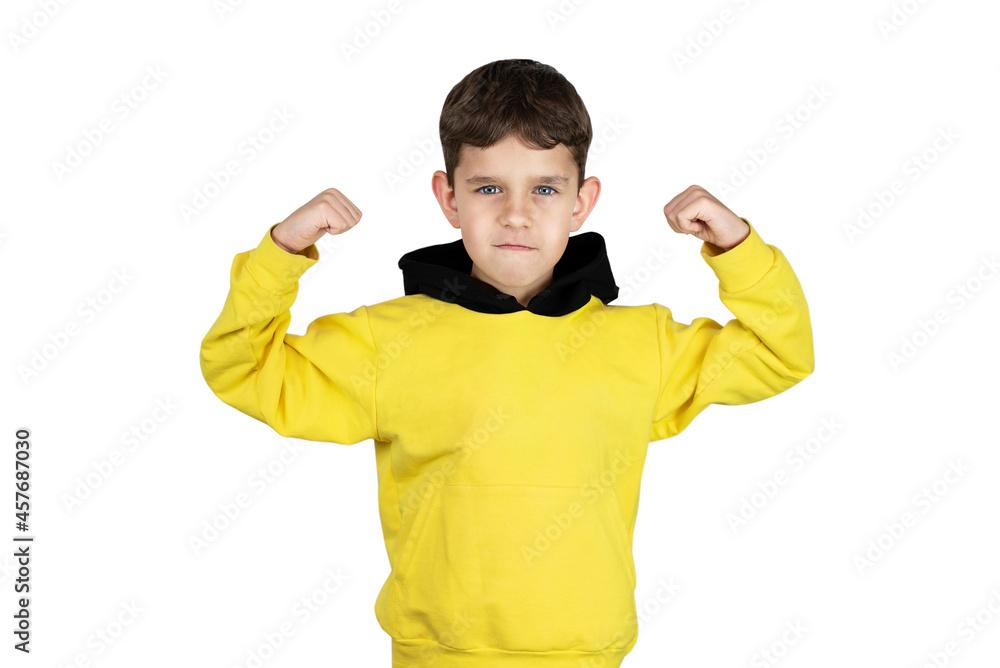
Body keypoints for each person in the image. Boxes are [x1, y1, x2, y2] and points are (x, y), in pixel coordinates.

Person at [199, 58, 814, 667]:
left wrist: (736, 248)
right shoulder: (387, 342)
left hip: (588, 655)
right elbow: (244, 368)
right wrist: (281, 252)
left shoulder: (643, 344)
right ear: (448, 198)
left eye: (545, 188)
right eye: (488, 187)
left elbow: (779, 353)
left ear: (581, 202)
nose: (516, 213)